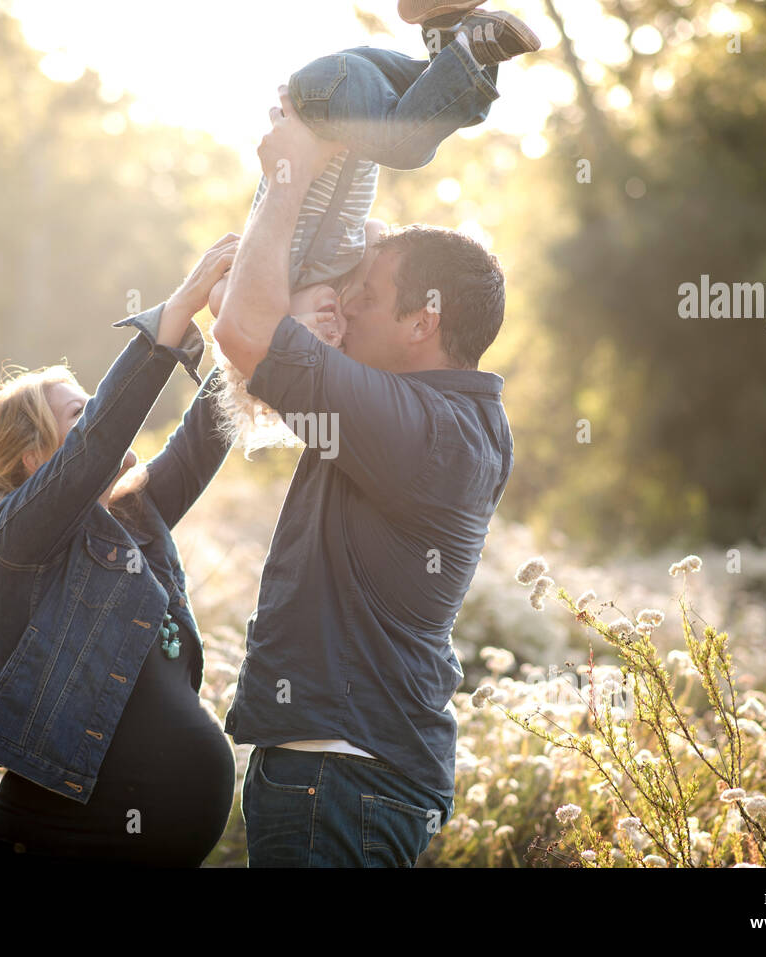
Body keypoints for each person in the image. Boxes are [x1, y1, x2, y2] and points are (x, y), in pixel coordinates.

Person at [210, 9, 520, 865]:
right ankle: (458, 57)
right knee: (366, 112)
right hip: (346, 778)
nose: (346, 303)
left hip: (340, 783)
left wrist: (288, 178)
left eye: (367, 295)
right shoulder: (435, 414)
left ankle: (455, 60)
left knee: (351, 107)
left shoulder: (422, 432)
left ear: (426, 322)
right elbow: (261, 318)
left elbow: (243, 331)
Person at [0, 234, 243, 867]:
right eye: (80, 412)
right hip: (48, 845)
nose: (103, 422)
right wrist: (178, 310)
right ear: (35, 460)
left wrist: (251, 333)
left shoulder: (134, 515)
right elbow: (99, 444)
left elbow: (206, 433)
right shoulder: (13, 541)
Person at [206, 2, 538, 452]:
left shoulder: (268, 275)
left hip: (321, 99)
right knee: (450, 104)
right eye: (336, 347)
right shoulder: (341, 271)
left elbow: (229, 310)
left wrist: (290, 316)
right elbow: (377, 235)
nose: (332, 334)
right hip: (363, 91)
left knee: (408, 148)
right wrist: (339, 302)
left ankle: (471, 43)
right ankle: (442, 22)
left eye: (306, 342)